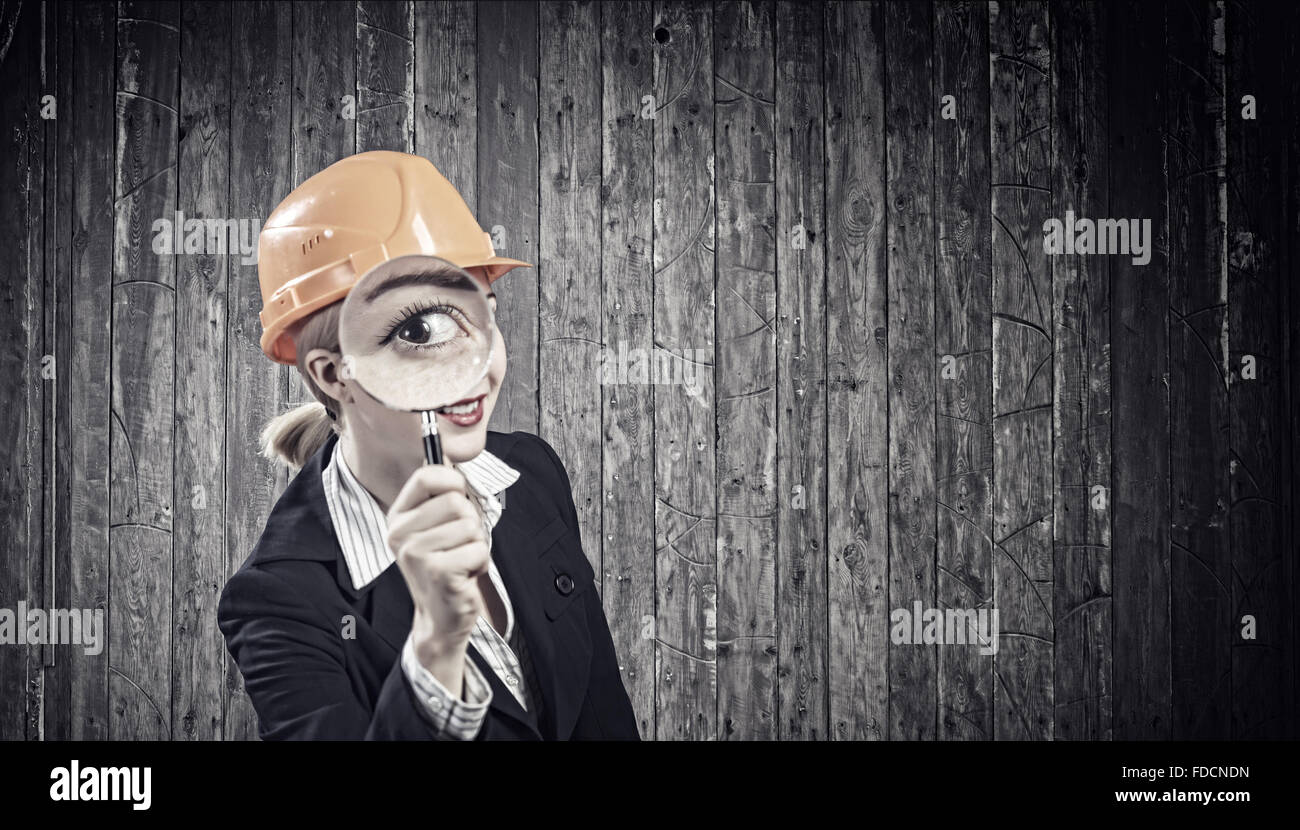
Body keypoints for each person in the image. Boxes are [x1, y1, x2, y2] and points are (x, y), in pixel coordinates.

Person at [217, 151, 640, 740]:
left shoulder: (531, 472)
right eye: (421, 330)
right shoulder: (278, 599)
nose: (479, 366)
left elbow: (600, 716)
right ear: (335, 373)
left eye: (484, 318)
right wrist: (436, 646)